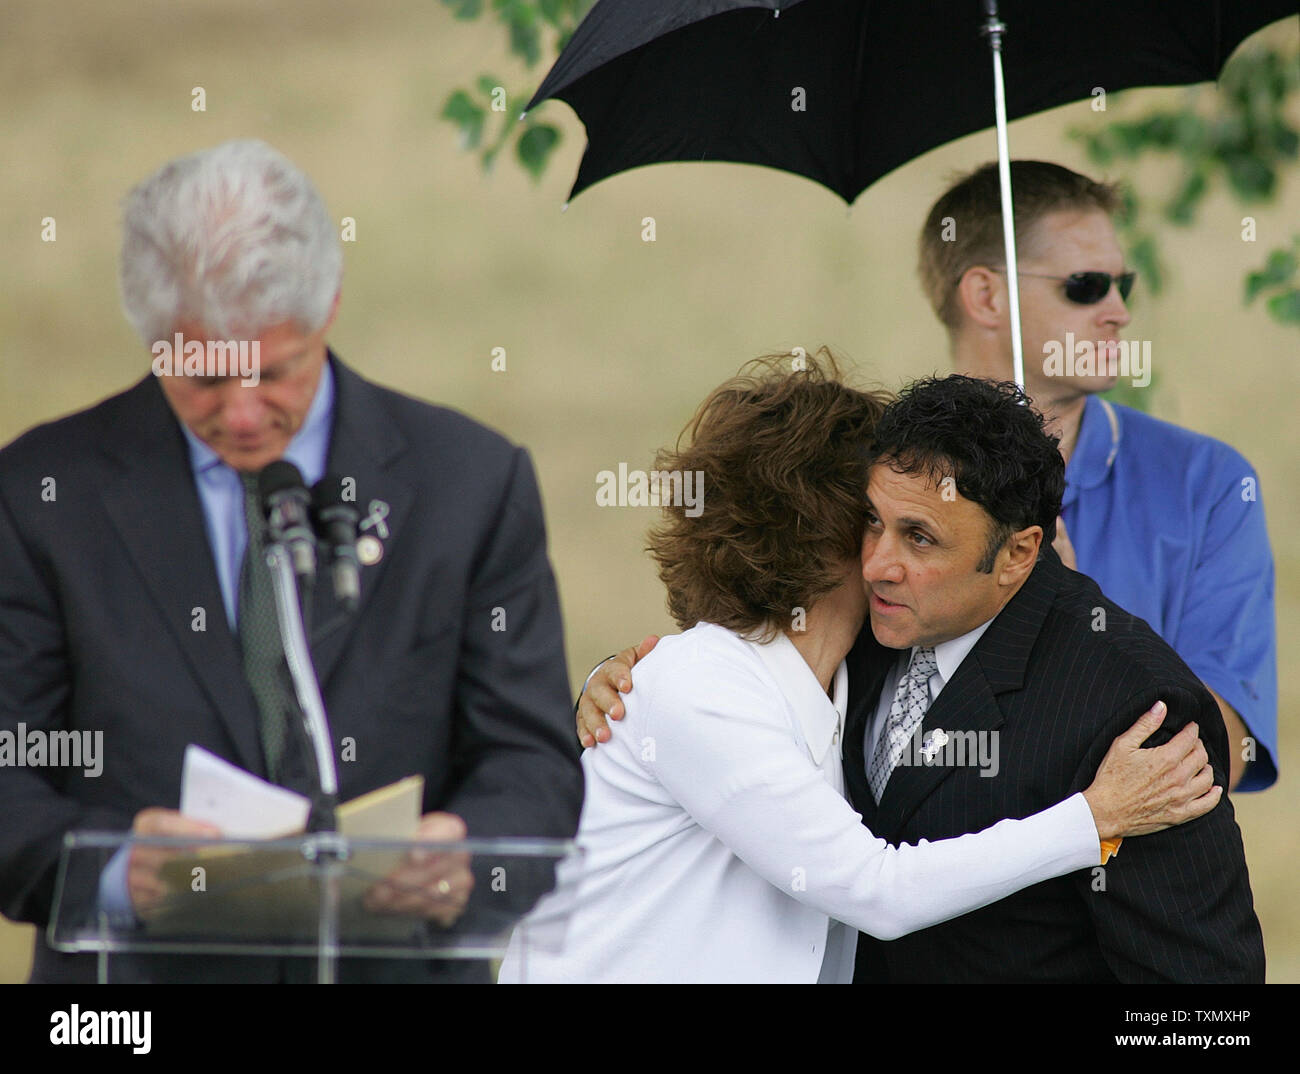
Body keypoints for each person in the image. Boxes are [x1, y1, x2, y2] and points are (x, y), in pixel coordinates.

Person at [0, 139, 583, 983]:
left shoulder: (470, 484)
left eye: (274, 373)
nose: (241, 415)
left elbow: (530, 763)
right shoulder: (44, 496)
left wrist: (463, 855)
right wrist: (116, 869)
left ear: (330, 310)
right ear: (151, 335)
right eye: (202, 376)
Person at [499, 356, 1222, 984]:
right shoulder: (695, 686)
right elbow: (876, 887)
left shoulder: (858, 671)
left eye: (916, 534)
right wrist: (1091, 820)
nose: (882, 561)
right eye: (873, 522)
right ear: (823, 532)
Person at [918, 161, 1277, 791]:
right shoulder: (877, 481)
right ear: (986, 296)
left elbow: (1223, 749)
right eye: (1084, 286)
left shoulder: (1210, 483)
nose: (1118, 312)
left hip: (1124, 883)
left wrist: (1069, 613)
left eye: (1123, 285)